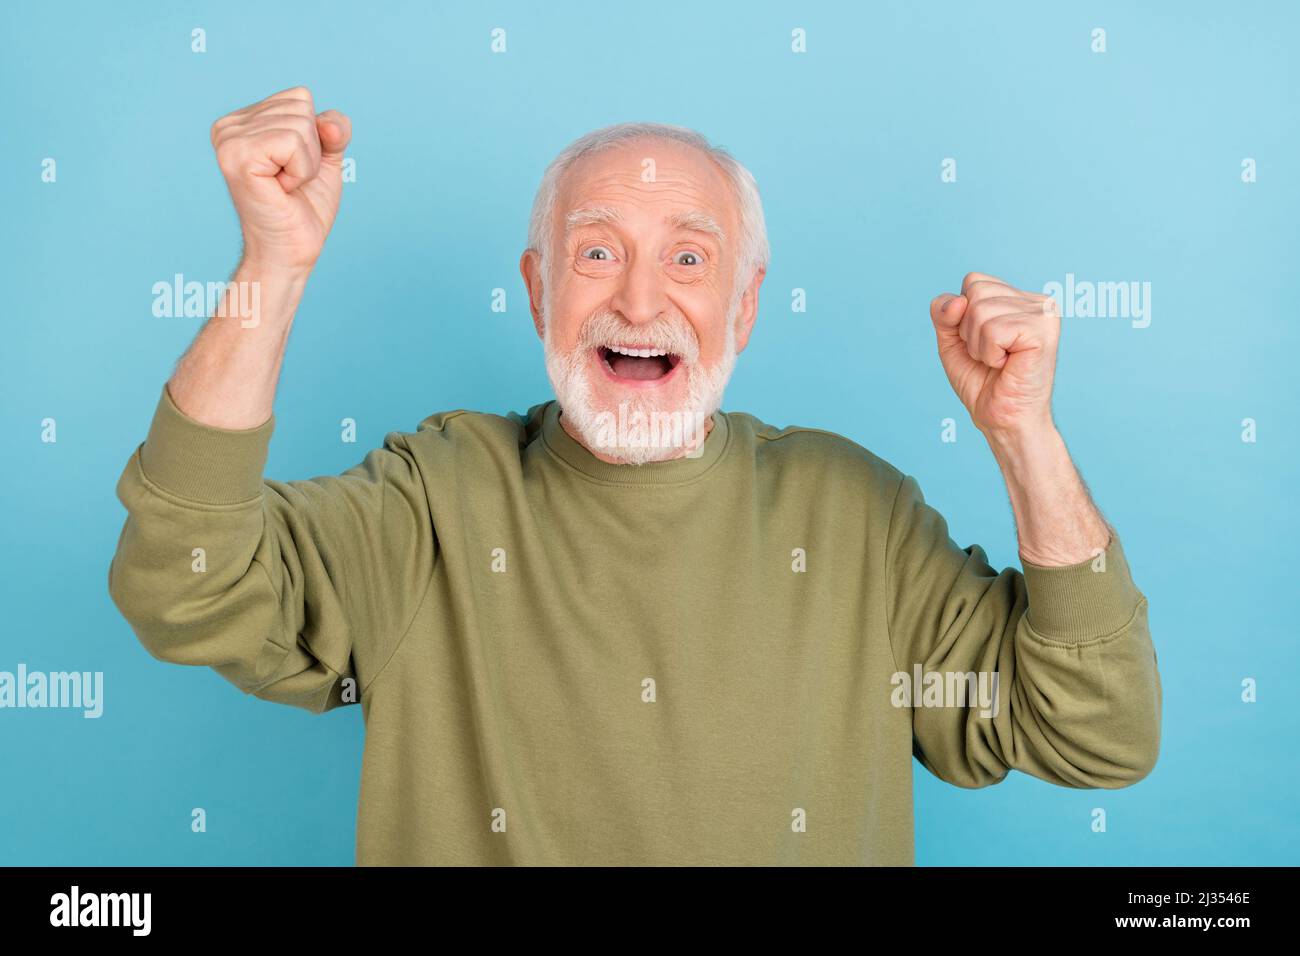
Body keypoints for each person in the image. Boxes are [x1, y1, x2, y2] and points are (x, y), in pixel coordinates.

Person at [108, 86, 1161, 865]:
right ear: (537, 292)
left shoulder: (855, 515)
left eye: (689, 258)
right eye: (597, 253)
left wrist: (1026, 438)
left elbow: (1095, 728)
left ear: (745, 307)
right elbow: (184, 580)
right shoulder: (433, 497)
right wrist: (271, 267)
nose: (642, 303)